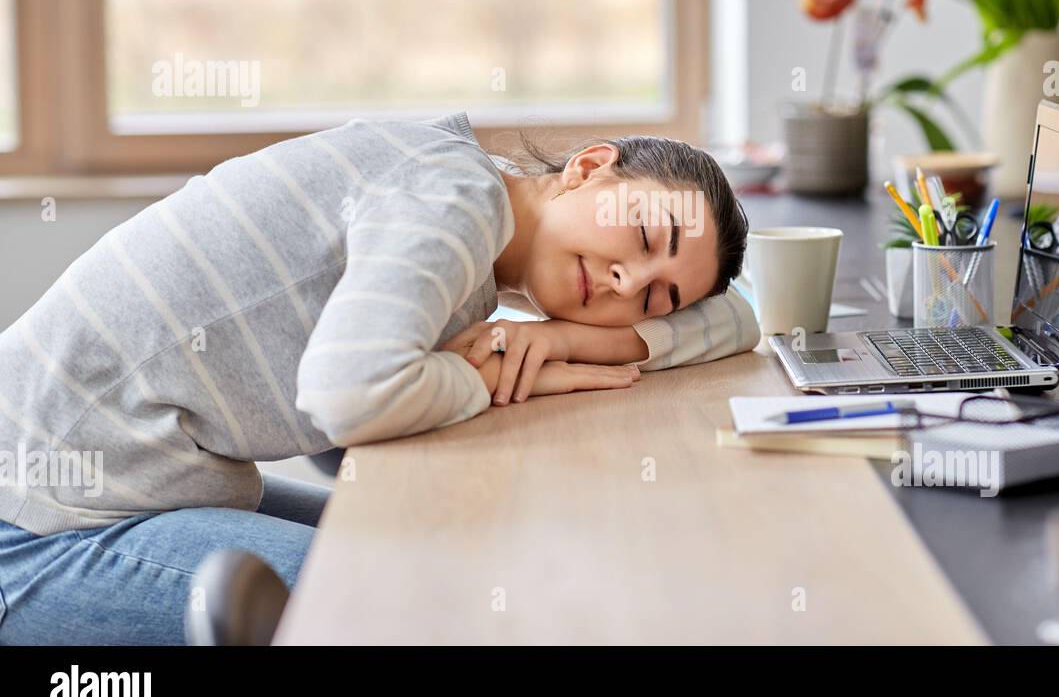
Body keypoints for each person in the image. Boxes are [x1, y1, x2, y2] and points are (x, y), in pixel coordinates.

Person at [0, 112, 758, 644]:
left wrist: (574, 339)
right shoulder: (453, 203)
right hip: (37, 525)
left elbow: (741, 323)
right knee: (421, 601)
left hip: (124, 491)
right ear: (588, 168)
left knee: (473, 563)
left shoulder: (468, 198)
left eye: (655, 299)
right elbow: (351, 399)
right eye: (644, 235)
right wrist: (484, 377)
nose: (629, 281)